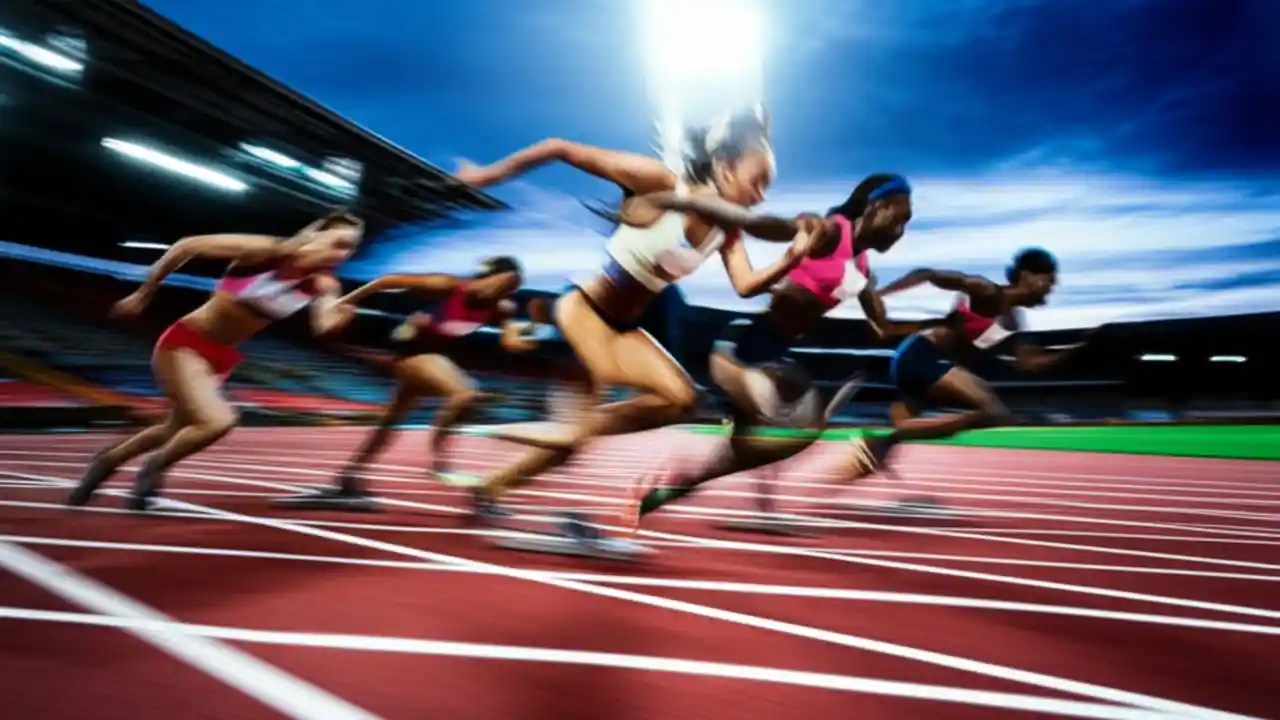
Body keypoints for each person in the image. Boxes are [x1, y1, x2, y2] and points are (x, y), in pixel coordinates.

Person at [454, 106, 829, 522]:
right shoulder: (660, 182)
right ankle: (536, 442)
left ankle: (496, 482)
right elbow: (559, 148)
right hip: (584, 311)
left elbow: (746, 286)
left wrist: (792, 258)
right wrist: (487, 176)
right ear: (724, 169)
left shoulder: (727, 231)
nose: (761, 194)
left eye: (767, 187)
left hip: (624, 328)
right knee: (574, 434)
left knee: (680, 400)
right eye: (757, 181)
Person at [625, 173, 928, 525]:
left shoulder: (861, 269)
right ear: (878, 206)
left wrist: (944, 325)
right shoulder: (829, 232)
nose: (902, 229)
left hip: (771, 354)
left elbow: (882, 329)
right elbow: (755, 223)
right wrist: (674, 201)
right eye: (901, 217)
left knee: (754, 447)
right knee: (796, 424)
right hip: (742, 348)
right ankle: (700, 449)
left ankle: (675, 487)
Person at [68, 210, 364, 510]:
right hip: (186, 343)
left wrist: (341, 318)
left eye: (350, 249)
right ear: (316, 233)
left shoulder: (325, 284)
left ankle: (107, 460)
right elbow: (187, 245)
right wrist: (143, 294)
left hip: (220, 357)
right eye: (339, 243)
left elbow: (322, 327)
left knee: (174, 429)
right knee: (217, 420)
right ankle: (153, 467)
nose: (343, 254)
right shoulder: (265, 252)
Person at [275, 256, 537, 511]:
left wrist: (531, 336)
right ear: (493, 276)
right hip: (412, 356)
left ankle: (348, 480)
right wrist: (345, 300)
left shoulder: (503, 308)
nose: (507, 291)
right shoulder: (448, 285)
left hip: (429, 361)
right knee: (465, 394)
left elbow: (510, 343)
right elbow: (386, 281)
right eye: (507, 283)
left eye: (513, 287)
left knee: (387, 426)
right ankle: (439, 464)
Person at [846, 247, 1090, 478]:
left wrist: (1081, 349)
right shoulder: (987, 291)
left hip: (932, 365)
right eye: (1049, 280)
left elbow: (1030, 365)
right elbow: (927, 274)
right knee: (993, 412)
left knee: (987, 416)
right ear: (1027, 275)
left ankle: (875, 450)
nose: (1052, 287)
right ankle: (886, 440)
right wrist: (879, 294)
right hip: (922, 354)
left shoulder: (1014, 323)